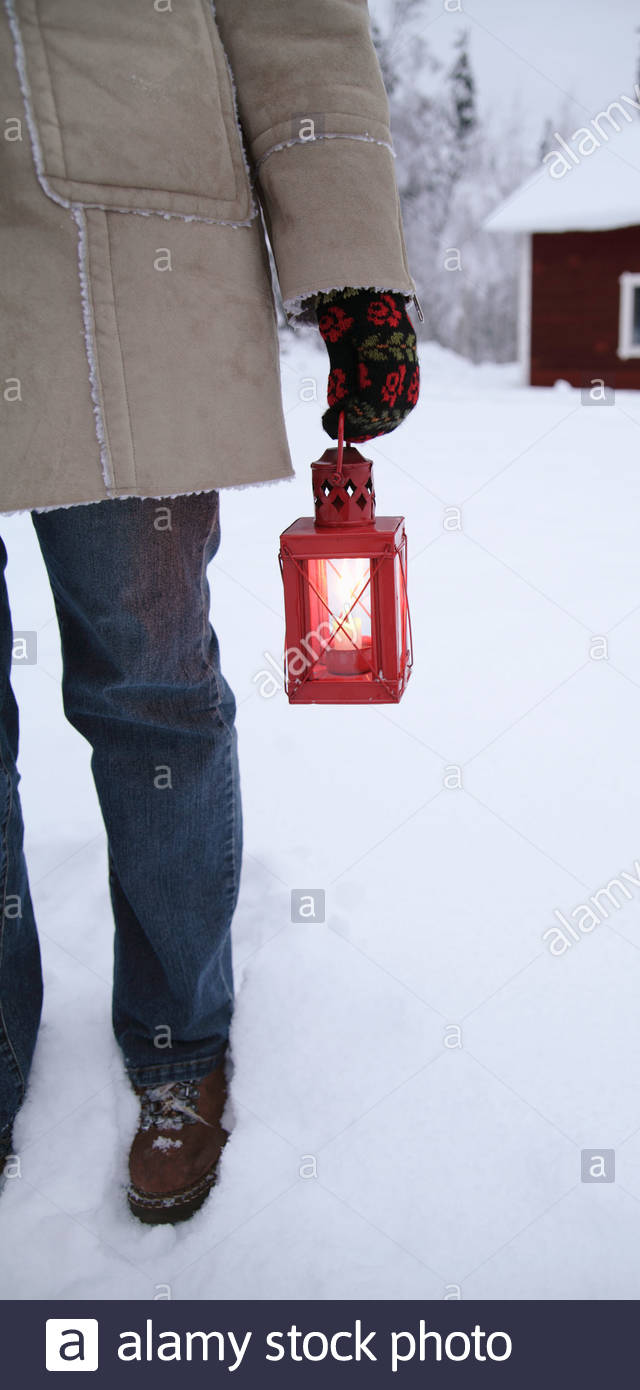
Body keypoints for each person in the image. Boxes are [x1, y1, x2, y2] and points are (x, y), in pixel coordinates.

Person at [0, 0, 419, 1224]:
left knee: (151, 695)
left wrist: (350, 262)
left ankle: (181, 1043)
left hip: (126, 270)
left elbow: (294, 22)